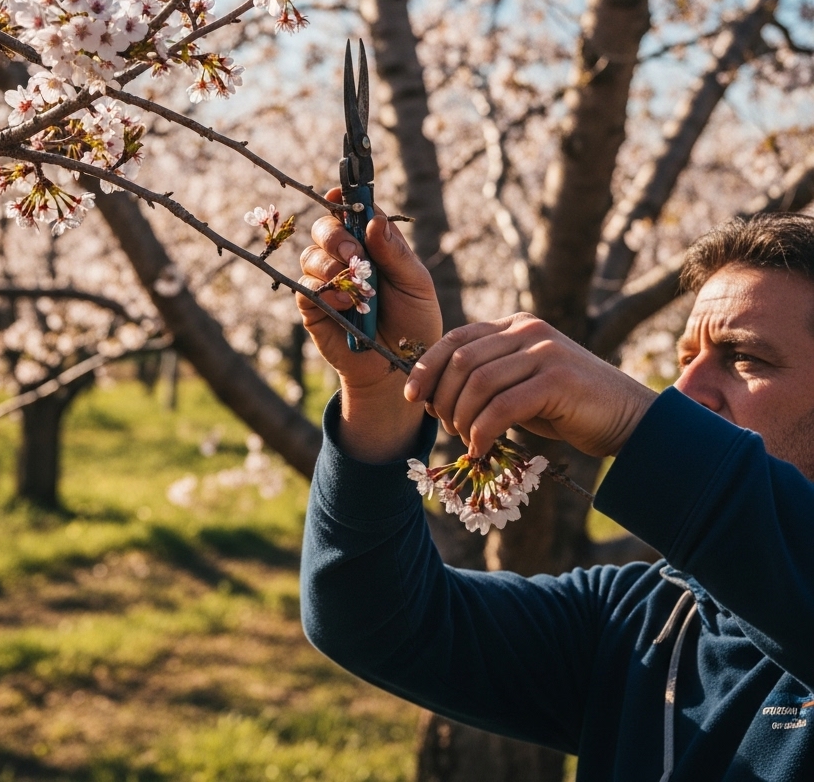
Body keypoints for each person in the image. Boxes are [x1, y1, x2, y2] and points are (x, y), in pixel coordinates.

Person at [296, 201, 814, 781]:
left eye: (744, 358)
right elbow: (374, 618)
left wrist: (636, 422)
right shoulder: (642, 623)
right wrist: (381, 392)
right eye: (684, 359)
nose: (684, 392)